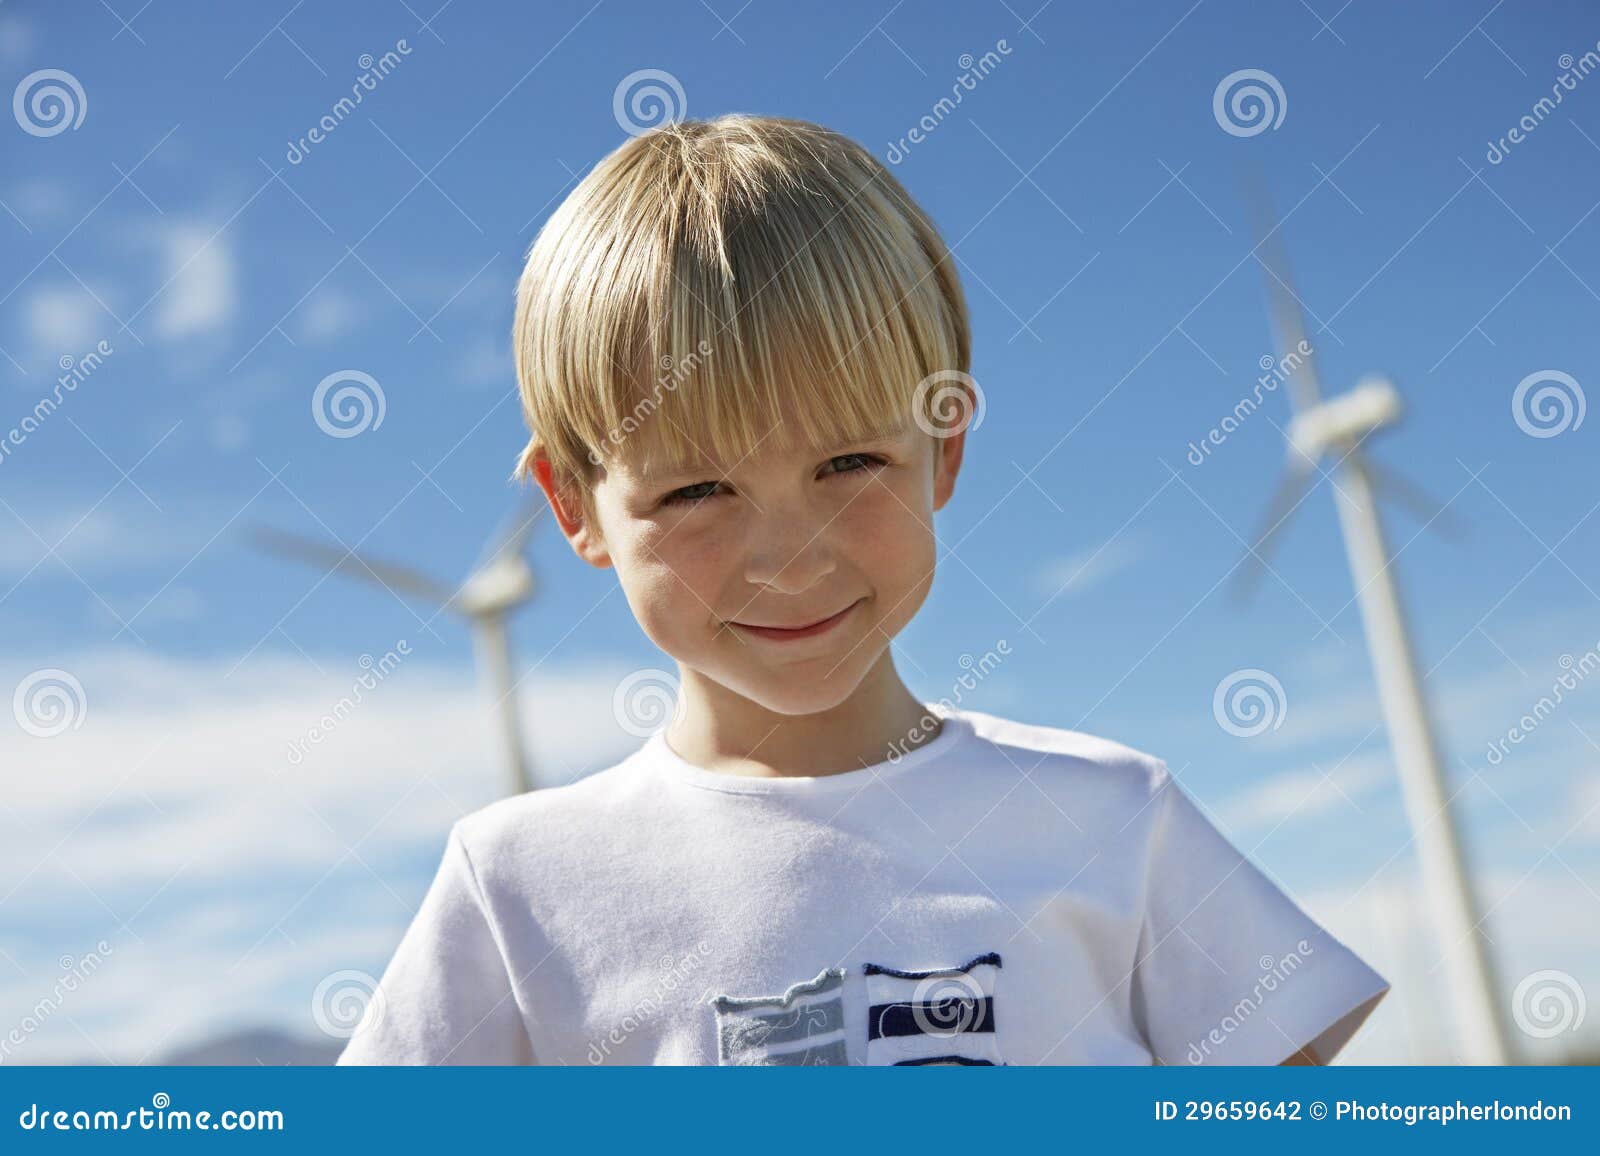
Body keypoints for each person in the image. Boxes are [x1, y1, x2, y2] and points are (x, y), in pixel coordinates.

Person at [336, 113, 1387, 1067]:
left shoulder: (1113, 817)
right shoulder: (515, 886)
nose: (790, 557)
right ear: (572, 507)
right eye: (699, 489)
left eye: (848, 465)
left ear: (945, 447)